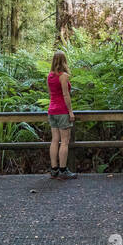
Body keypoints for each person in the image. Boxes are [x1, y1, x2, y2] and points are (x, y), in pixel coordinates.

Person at [47, 50, 77, 179]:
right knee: (64, 141)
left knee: (55, 140)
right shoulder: (63, 76)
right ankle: (63, 170)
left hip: (52, 111)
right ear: (64, 61)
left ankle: (54, 169)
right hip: (62, 111)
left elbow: (50, 94)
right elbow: (65, 94)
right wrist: (70, 111)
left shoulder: (50, 76)